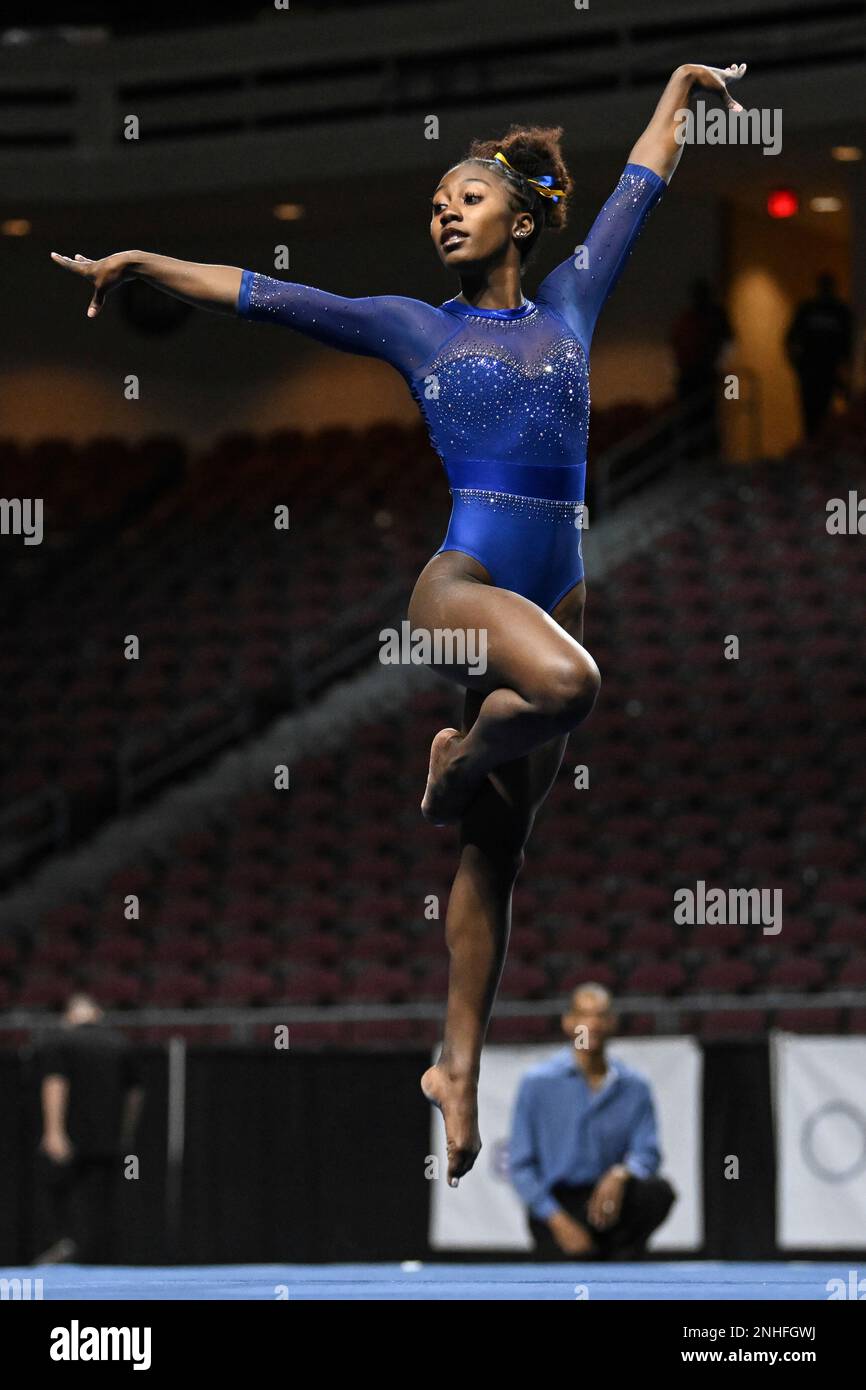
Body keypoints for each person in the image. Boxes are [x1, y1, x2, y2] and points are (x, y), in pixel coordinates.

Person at [50, 60, 746, 1185]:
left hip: (556, 582)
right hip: (463, 581)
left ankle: (454, 1067)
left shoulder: (572, 300)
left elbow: (641, 178)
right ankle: (457, 756)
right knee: (569, 688)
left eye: (462, 197)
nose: (441, 211)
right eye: (433, 204)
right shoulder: (410, 328)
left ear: (518, 215)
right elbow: (262, 294)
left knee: (497, 849)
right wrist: (139, 262)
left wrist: (673, 84)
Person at [509, 984, 676, 1260]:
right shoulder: (537, 1083)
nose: (592, 1024)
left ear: (612, 1023)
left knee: (657, 1192)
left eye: (600, 1016)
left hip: (612, 1200)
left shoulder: (634, 1086)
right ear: (568, 1022)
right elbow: (520, 1165)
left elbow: (648, 1153)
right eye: (584, 1015)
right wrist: (558, 1221)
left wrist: (621, 1173)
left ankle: (622, 1255)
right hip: (559, 1204)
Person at [34, 992, 144, 1264]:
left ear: (70, 1015)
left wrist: (53, 1131)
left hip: (70, 1138)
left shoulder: (59, 1042)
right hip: (109, 1139)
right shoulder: (121, 1044)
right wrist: (126, 1133)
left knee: (59, 1192)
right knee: (104, 1199)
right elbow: (135, 1095)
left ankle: (64, 1242)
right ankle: (100, 1254)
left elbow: (55, 1084)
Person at [785, 272, 854, 439]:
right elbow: (790, 340)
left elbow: (848, 345)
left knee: (825, 416)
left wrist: (844, 373)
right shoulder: (809, 309)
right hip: (812, 372)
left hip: (828, 373)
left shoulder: (839, 312)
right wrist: (797, 365)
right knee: (811, 417)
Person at [669, 277, 732, 456]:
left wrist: (720, 366)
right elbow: (675, 345)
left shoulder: (717, 316)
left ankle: (710, 453)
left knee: (708, 416)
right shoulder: (687, 318)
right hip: (688, 374)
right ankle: (691, 454)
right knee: (688, 416)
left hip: (707, 373)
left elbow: (729, 343)